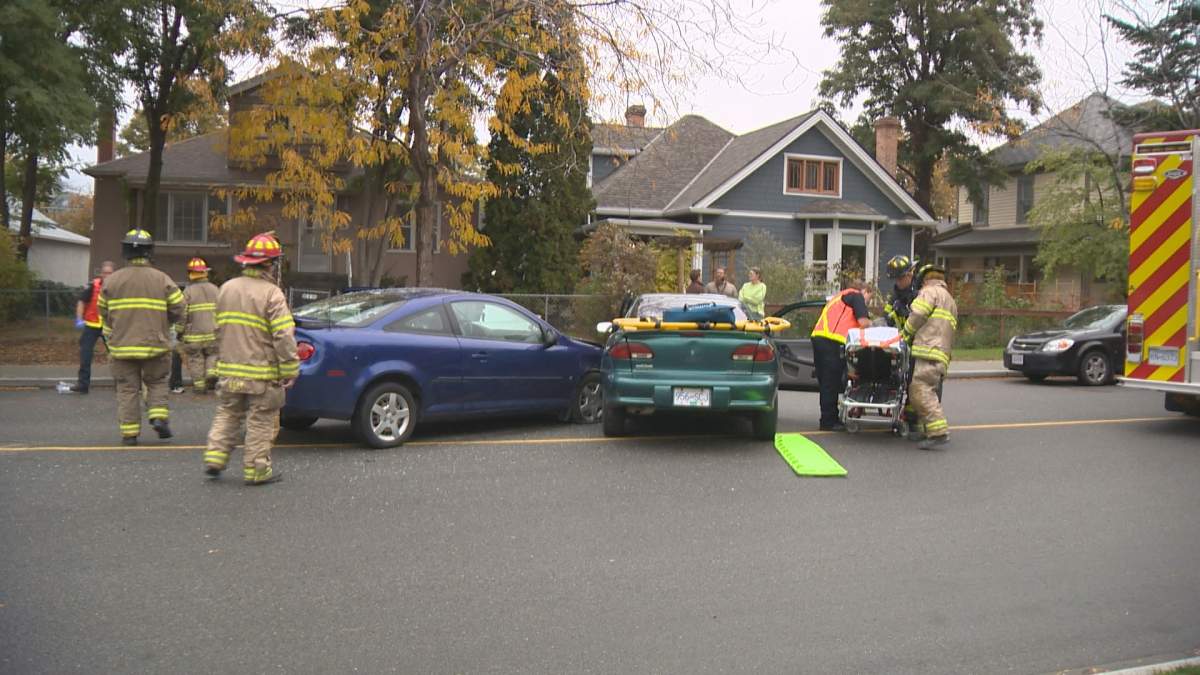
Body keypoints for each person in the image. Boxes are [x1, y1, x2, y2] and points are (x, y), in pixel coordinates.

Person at [203, 232, 299, 486]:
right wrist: (290, 368)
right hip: (262, 374)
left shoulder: (226, 289)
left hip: (230, 370)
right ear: (269, 264)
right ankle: (257, 470)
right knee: (261, 420)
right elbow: (283, 335)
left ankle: (214, 458)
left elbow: (217, 329)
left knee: (228, 413)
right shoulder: (272, 293)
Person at [99, 230, 185, 445]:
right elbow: (180, 308)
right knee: (156, 383)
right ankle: (158, 417)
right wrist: (167, 322)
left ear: (126, 251)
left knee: (127, 390)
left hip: (122, 347)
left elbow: (104, 313)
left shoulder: (112, 281)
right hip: (155, 344)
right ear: (149, 252)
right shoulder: (162, 279)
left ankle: (129, 434)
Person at [902, 264, 958, 450]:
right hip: (941, 352)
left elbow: (917, 313)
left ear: (925, 280)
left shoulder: (929, 292)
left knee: (921, 389)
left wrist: (906, 333)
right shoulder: (949, 299)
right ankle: (928, 430)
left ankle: (938, 432)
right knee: (927, 390)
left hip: (928, 349)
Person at [809, 279, 872, 431]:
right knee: (831, 382)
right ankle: (829, 421)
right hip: (833, 341)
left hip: (819, 338)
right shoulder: (856, 295)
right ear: (865, 291)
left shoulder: (839, 297)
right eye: (869, 298)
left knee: (825, 382)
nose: (868, 303)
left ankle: (827, 418)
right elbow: (864, 322)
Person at [70, 260, 114, 394]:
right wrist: (79, 319)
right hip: (92, 326)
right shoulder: (93, 287)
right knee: (86, 354)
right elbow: (81, 301)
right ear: (101, 274)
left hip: (109, 326)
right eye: (105, 273)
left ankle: (124, 384)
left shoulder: (118, 288)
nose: (107, 275)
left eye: (110, 273)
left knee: (118, 356)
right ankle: (83, 384)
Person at [178, 257, 220, 393]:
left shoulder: (188, 292)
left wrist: (179, 331)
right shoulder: (216, 289)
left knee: (195, 359)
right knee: (213, 354)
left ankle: (200, 386)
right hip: (214, 333)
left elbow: (182, 313)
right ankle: (211, 372)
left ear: (190, 273)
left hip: (193, 335)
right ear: (205, 272)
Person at [883, 255, 919, 328]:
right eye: (895, 279)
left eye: (900, 278)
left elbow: (922, 320)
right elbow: (886, 315)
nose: (897, 282)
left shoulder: (921, 293)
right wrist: (890, 318)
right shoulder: (896, 293)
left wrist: (907, 313)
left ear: (910, 274)